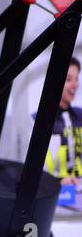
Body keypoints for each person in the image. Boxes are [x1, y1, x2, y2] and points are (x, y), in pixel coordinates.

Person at [43, 56, 81, 185]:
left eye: (76, 78)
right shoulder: (41, 119)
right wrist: (59, 180)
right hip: (53, 187)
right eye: (68, 79)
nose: (75, 84)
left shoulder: (78, 115)